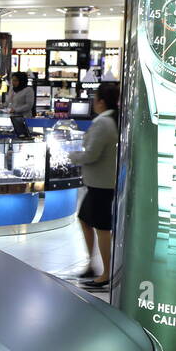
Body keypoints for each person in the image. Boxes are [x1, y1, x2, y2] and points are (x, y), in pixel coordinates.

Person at [72, 81, 120, 291]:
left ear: (101, 101)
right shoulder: (111, 120)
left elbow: (91, 154)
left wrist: (72, 157)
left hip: (101, 185)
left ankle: (106, 273)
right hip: (100, 183)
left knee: (102, 227)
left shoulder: (103, 123)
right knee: (84, 219)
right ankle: (91, 265)